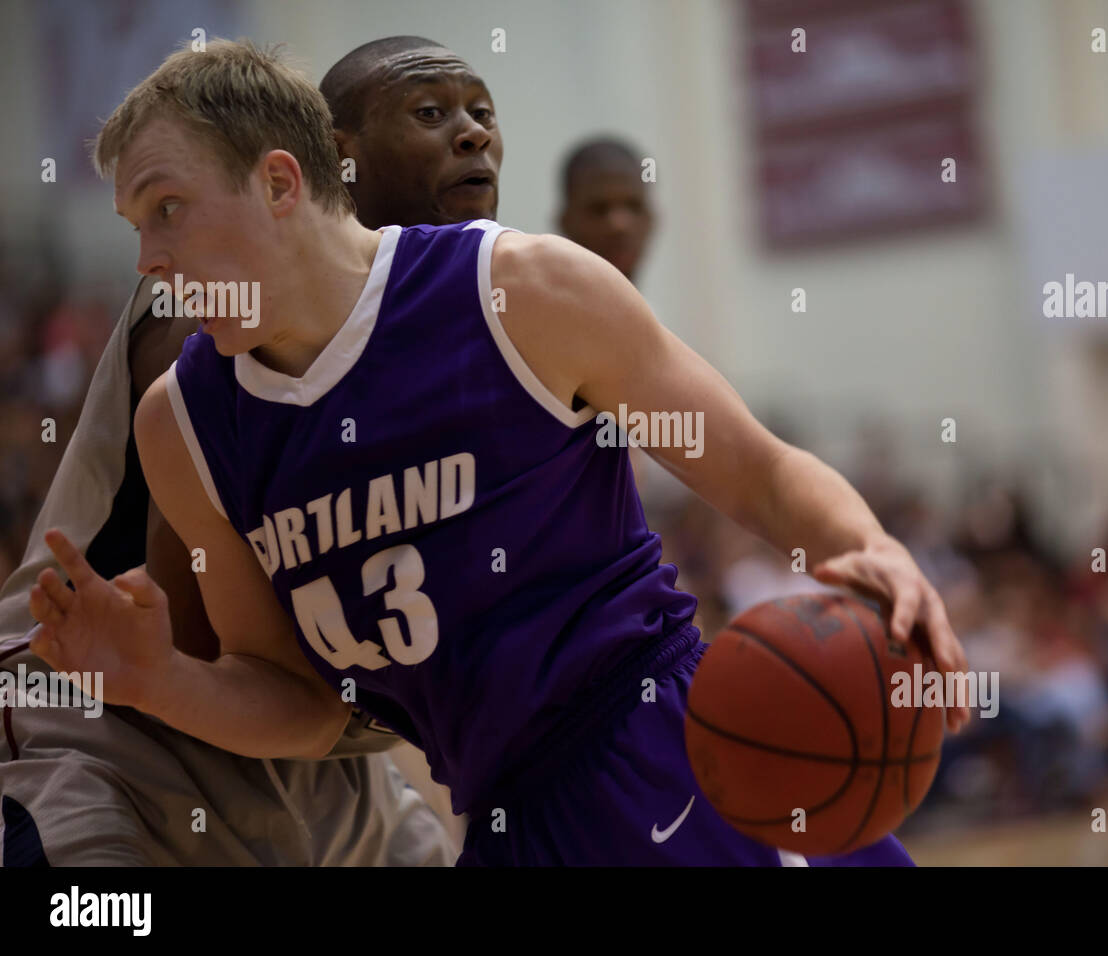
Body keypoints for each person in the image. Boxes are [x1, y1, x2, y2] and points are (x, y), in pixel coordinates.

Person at [31, 39, 971, 866]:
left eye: (167, 209)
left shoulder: (515, 290)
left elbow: (760, 471)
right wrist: (158, 679)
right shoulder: (185, 423)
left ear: (279, 183)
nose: (148, 257)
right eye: (135, 227)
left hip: (662, 753)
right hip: (500, 817)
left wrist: (867, 545)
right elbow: (304, 704)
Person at [0, 33, 503, 867]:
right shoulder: (207, 320)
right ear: (324, 162)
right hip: (109, 734)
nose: (471, 134)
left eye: (482, 113)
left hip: (315, 761)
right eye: (428, 114)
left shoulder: (467, 318)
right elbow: (202, 651)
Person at [556, 137, 653, 284]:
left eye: (634, 206)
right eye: (599, 209)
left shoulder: (655, 307)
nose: (619, 225)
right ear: (566, 222)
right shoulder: (529, 306)